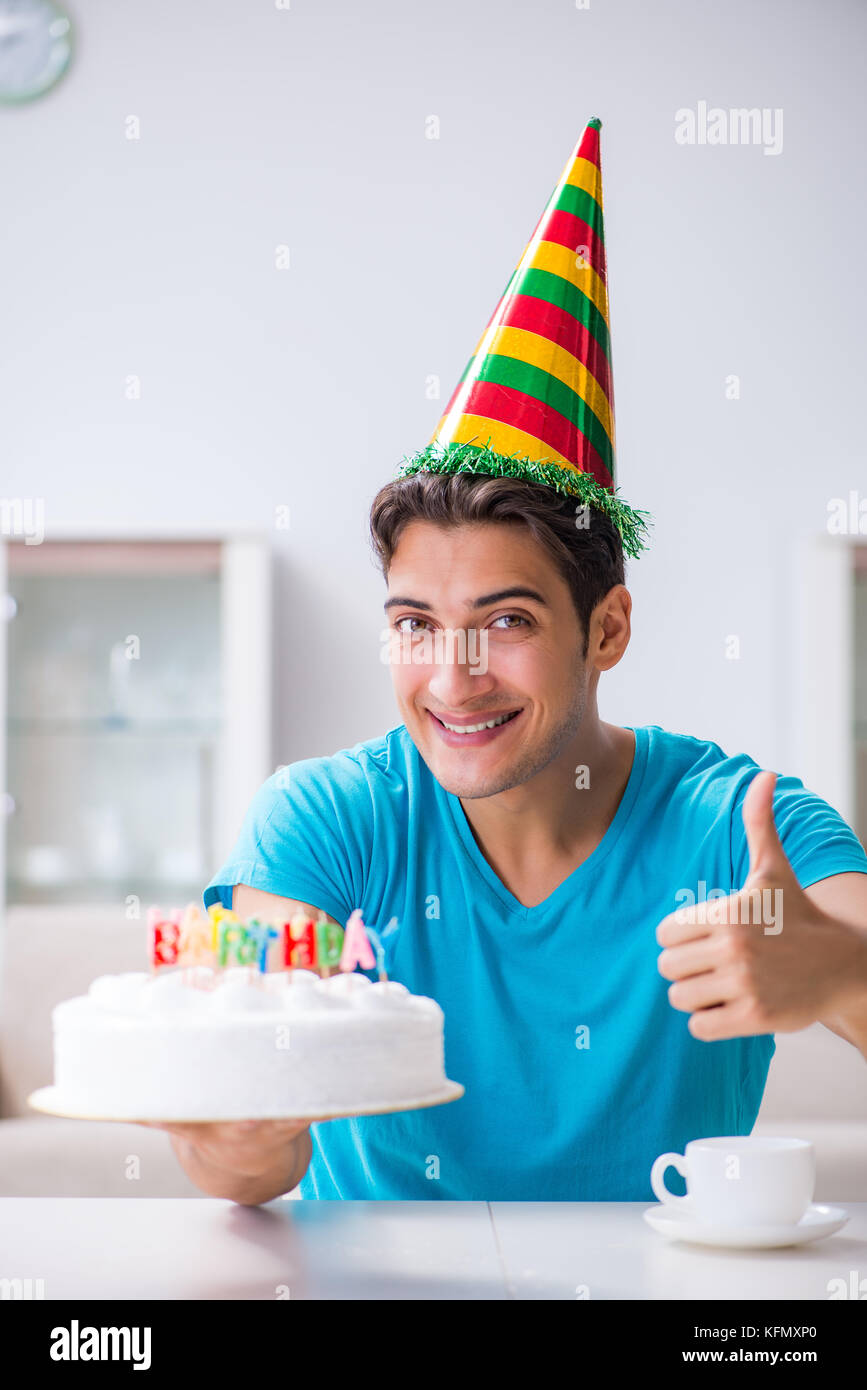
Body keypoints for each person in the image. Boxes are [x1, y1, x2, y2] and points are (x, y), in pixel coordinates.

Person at [151, 120, 867, 1204]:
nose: (452, 676)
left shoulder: (738, 823)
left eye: (508, 620)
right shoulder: (329, 821)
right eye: (416, 624)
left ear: (608, 630)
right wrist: (244, 1116)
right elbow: (243, 1169)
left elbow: (841, 932)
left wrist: (844, 969)